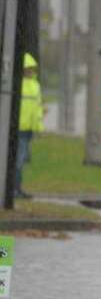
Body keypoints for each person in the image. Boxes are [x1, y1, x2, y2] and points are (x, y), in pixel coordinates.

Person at [15, 52, 44, 200]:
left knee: (22, 159)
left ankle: (17, 189)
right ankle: (15, 190)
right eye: (27, 68)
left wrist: (38, 128)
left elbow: (37, 108)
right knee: (18, 160)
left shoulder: (35, 85)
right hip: (17, 128)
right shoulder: (18, 84)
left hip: (28, 130)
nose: (30, 71)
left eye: (31, 68)